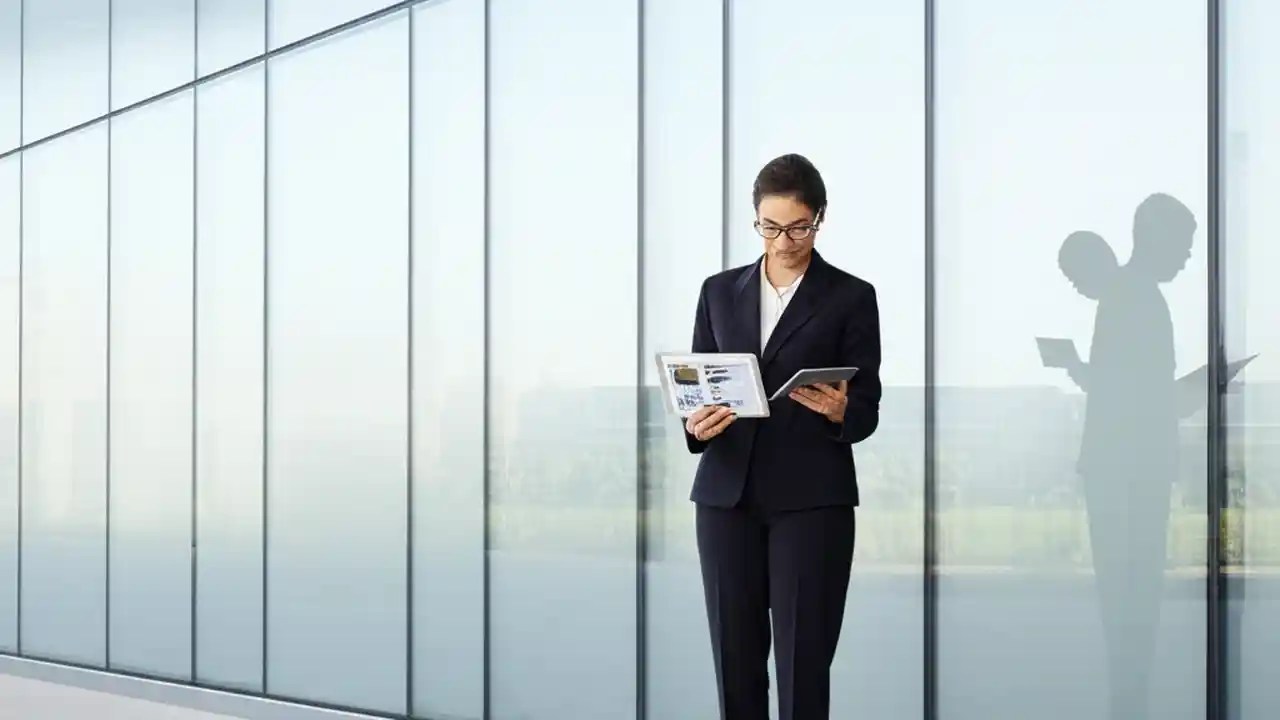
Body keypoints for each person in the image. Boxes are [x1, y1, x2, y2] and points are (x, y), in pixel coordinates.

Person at [682, 153, 882, 720]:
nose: (783, 240)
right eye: (770, 227)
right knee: (735, 662)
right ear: (756, 220)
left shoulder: (850, 296)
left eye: (797, 226)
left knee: (803, 664)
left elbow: (866, 408)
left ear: (819, 218)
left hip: (811, 499)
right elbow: (697, 389)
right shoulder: (718, 292)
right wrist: (694, 426)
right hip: (725, 496)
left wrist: (844, 409)